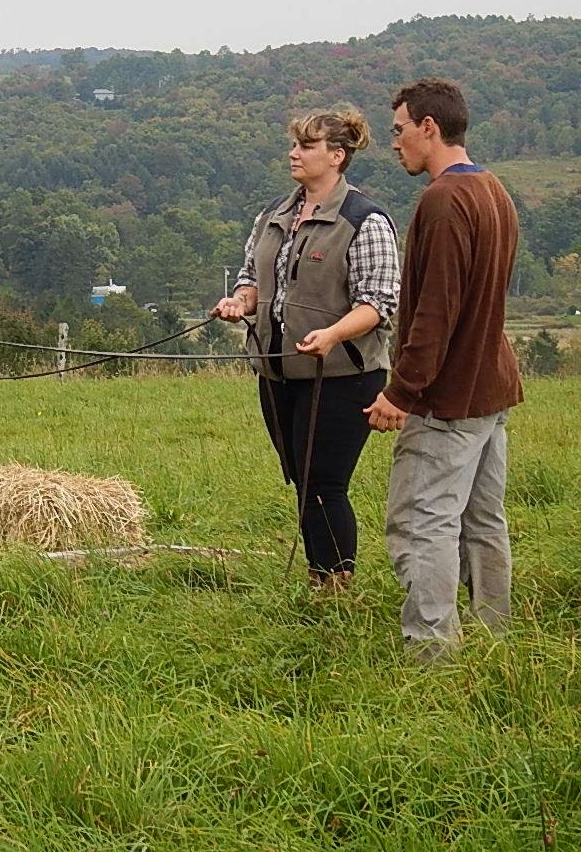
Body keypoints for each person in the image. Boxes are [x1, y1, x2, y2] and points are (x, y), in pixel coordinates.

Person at [363, 78, 522, 657]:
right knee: (482, 521)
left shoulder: (443, 199)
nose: (396, 142)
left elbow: (436, 310)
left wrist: (402, 393)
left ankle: (431, 652)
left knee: (420, 524)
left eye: (400, 130)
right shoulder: (494, 190)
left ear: (430, 126)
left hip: (449, 398)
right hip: (490, 387)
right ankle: (492, 638)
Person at [212, 110, 400, 589]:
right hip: (278, 374)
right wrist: (239, 304)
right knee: (301, 478)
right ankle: (321, 576)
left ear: (337, 157)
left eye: (308, 146)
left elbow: (379, 302)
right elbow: (252, 279)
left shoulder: (366, 220)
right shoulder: (273, 214)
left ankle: (336, 583)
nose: (295, 153)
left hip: (344, 376)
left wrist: (334, 334)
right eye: (295, 144)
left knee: (323, 484)